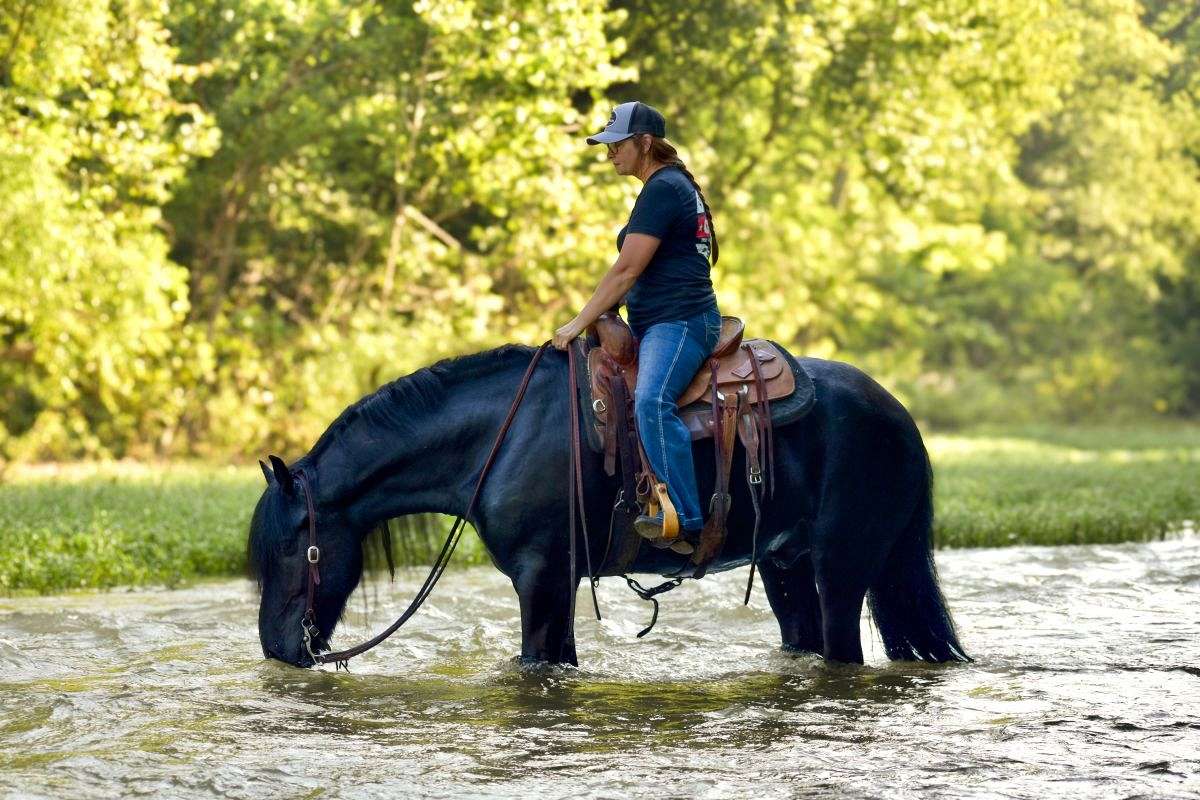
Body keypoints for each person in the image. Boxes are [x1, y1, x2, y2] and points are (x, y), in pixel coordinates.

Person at [551, 101, 721, 554]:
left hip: (680, 323)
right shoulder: (669, 187)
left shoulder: (665, 189)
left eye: (618, 144)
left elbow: (626, 271)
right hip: (658, 321)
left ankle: (685, 517)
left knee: (651, 400)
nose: (610, 153)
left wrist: (577, 323)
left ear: (645, 143)